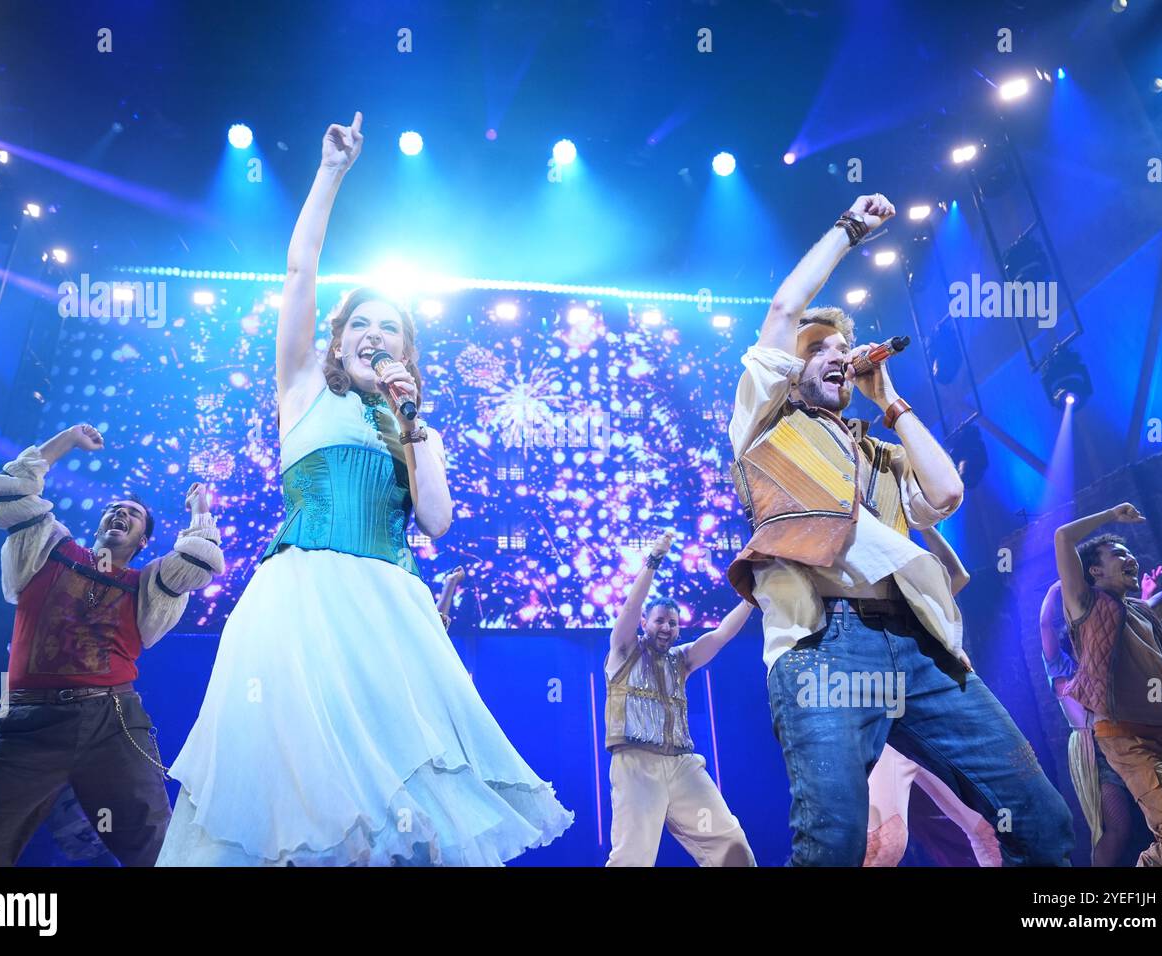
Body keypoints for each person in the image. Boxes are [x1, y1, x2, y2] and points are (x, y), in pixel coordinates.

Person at [157, 113, 573, 866]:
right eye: (362, 324)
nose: (376, 334)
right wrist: (331, 174)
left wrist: (411, 428)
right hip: (301, 593)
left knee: (398, 787)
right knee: (296, 771)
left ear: (409, 351)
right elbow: (299, 272)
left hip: (390, 603)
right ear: (337, 337)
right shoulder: (303, 389)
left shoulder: (418, 428)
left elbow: (438, 524)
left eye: (392, 328)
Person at [727, 193, 1072, 866]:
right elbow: (782, 311)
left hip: (918, 646)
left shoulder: (879, 449)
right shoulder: (764, 423)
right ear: (788, 370)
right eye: (819, 349)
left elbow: (944, 492)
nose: (839, 355)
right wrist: (850, 228)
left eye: (843, 348)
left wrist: (891, 402)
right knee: (833, 844)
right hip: (825, 645)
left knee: (1042, 822)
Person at [0, 423, 224, 866]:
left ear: (143, 541)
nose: (119, 514)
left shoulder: (149, 586)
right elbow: (14, 490)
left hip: (112, 722)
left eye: (132, 515)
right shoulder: (47, 550)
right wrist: (65, 440)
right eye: (113, 509)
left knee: (161, 849)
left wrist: (200, 509)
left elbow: (198, 559)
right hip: (29, 726)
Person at [1053, 504, 1162, 866]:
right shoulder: (1084, 607)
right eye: (1118, 554)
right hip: (1129, 738)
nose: (1130, 558)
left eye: (1130, 553)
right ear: (1095, 570)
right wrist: (1109, 515)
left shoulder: (1141, 610)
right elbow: (1063, 537)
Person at [604, 531, 757, 866]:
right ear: (646, 622)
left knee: (730, 843)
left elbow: (720, 635)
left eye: (673, 623)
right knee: (633, 857)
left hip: (683, 767)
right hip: (636, 765)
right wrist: (653, 562)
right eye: (660, 620)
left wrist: (750, 599)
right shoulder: (623, 651)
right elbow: (630, 606)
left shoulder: (681, 660)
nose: (667, 628)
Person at [863, 526, 1000, 867]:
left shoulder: (927, 608)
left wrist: (924, 526)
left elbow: (959, 574)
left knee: (988, 829)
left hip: (943, 725)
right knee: (883, 846)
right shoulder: (863, 613)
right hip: (892, 732)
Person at [1039, 579, 1141, 866]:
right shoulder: (1061, 667)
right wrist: (1053, 591)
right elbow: (1045, 627)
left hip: (1124, 740)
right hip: (1094, 751)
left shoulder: (1103, 663)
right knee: (1117, 829)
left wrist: (1144, 595)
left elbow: (1131, 639)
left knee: (1151, 817)